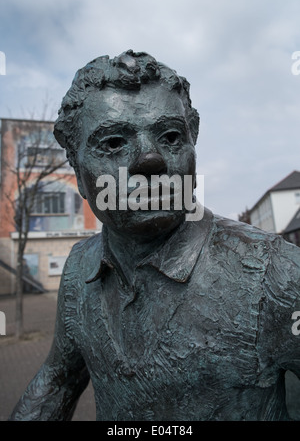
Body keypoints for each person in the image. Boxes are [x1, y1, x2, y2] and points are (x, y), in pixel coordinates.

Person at [9, 50, 300, 421]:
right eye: (113, 142)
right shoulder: (79, 270)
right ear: (80, 177)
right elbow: (58, 382)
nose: (151, 160)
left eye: (171, 136)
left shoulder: (275, 274)